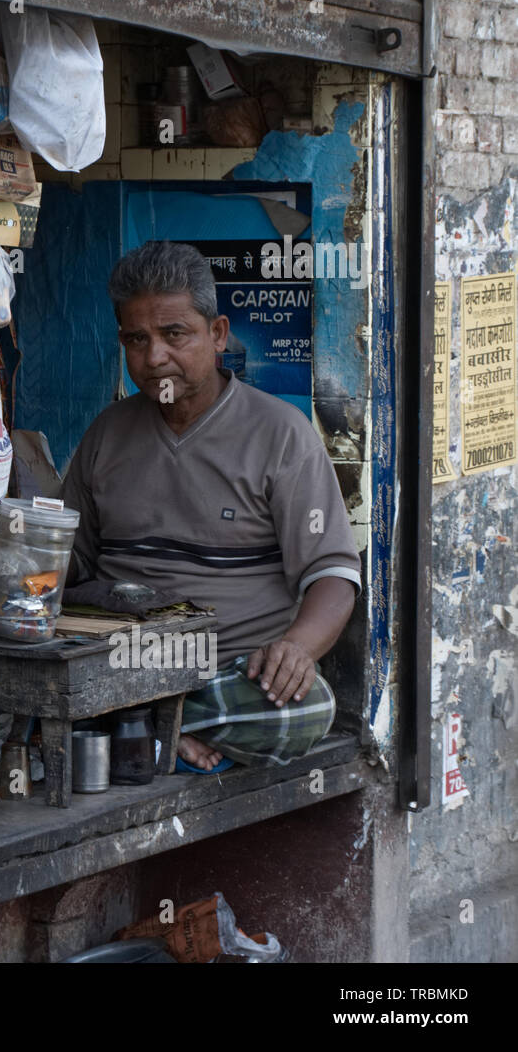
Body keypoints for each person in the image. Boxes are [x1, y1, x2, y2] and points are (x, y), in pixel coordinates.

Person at [60, 241, 361, 773]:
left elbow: (332, 576)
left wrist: (296, 649)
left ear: (217, 334)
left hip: (228, 673)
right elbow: (67, 567)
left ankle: (139, 732)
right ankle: (146, 728)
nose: (154, 358)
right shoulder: (107, 434)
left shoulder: (281, 434)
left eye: (175, 335)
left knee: (306, 709)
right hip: (120, 670)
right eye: (137, 339)